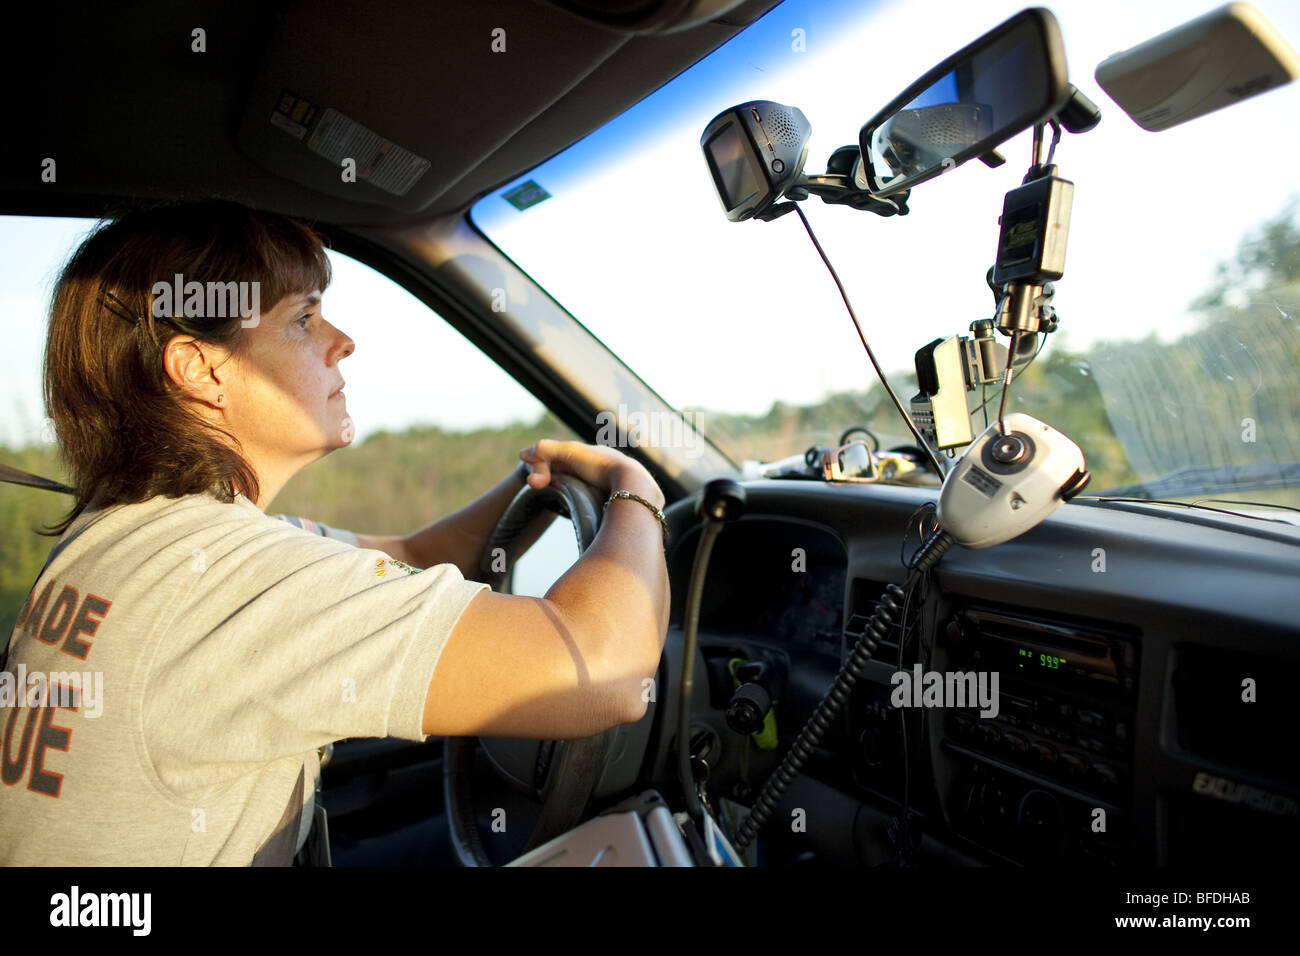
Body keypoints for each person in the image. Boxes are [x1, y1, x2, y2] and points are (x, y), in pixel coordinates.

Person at [0, 200, 670, 865]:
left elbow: (416, 555)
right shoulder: (232, 582)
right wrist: (637, 492)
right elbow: (607, 673)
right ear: (203, 370)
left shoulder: (142, 535)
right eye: (303, 318)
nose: (341, 340)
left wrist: (537, 475)